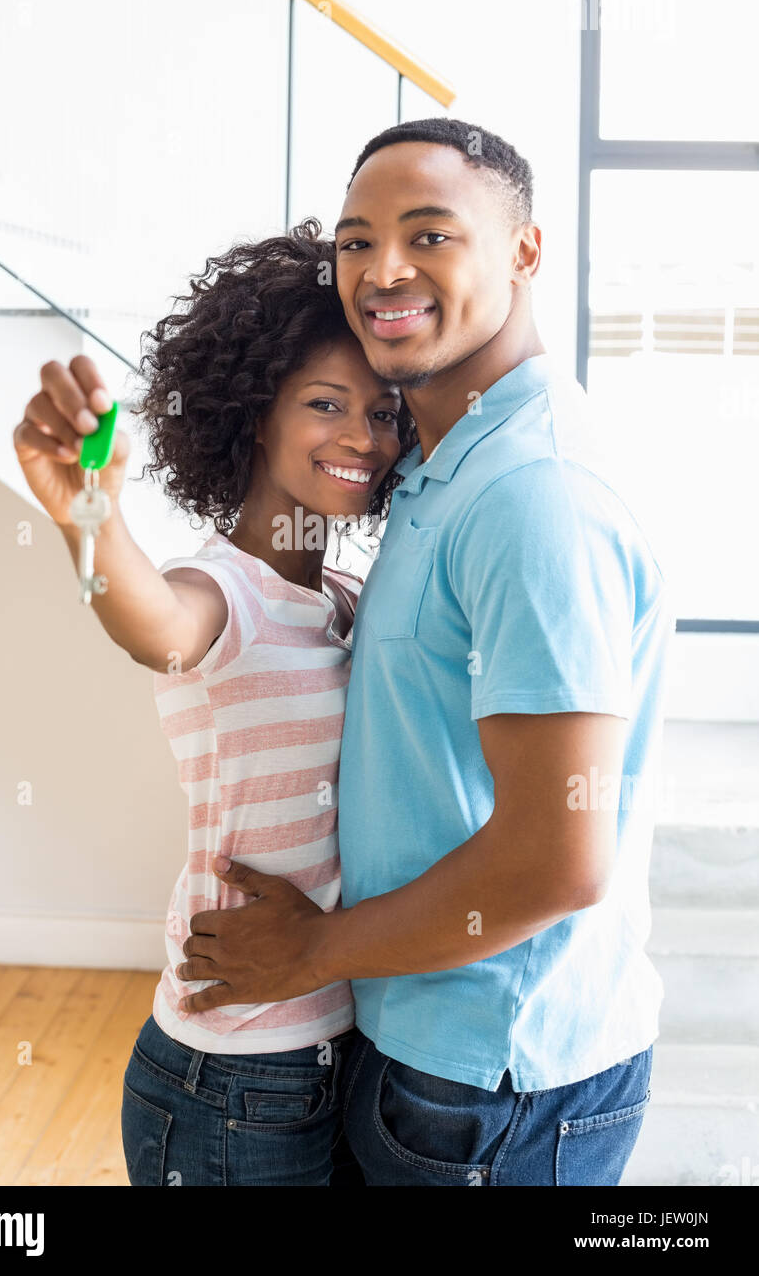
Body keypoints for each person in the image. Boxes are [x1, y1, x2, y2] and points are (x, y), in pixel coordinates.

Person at [175, 119, 676, 1187]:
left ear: (523, 253)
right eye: (355, 241)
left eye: (428, 234)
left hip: (492, 1088)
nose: (382, 270)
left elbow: (558, 858)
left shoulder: (531, 495)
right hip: (421, 1052)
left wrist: (313, 950)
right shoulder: (441, 463)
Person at [11, 219, 413, 1185]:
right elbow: (154, 621)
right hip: (230, 1075)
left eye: (385, 410)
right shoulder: (220, 595)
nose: (363, 435)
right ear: (251, 415)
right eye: (326, 403)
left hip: (336, 1051)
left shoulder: (349, 600)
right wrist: (90, 520)